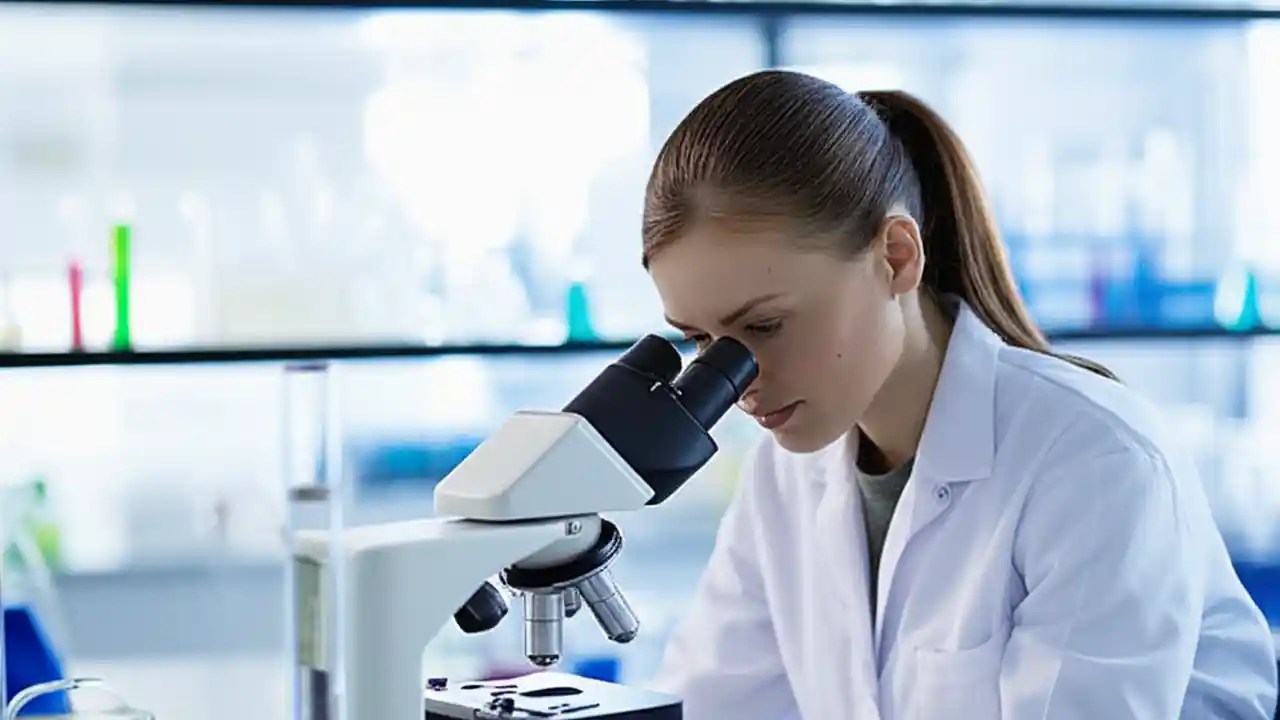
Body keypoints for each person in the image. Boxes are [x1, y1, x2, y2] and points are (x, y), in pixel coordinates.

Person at [640, 69, 1278, 719]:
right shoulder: (785, 474)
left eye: (764, 326)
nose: (738, 380)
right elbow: (714, 702)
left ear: (895, 256)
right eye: (699, 339)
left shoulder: (1093, 461)